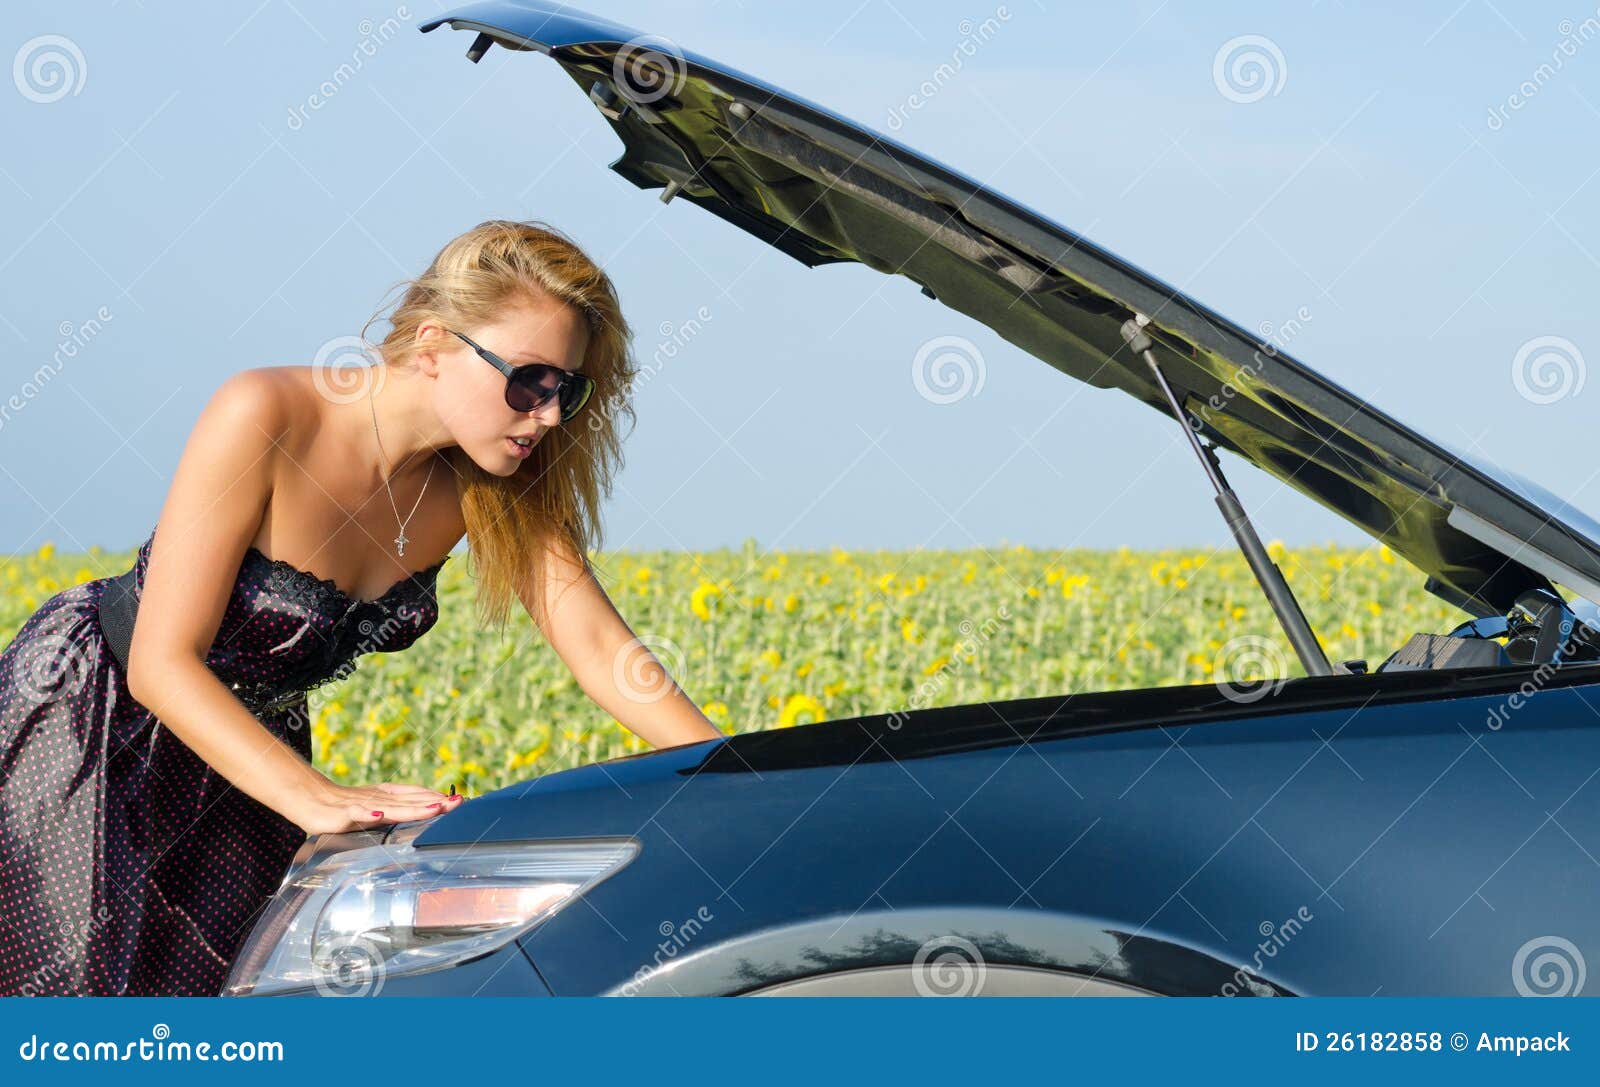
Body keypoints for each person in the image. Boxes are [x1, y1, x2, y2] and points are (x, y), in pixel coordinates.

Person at [0, 219, 723, 996]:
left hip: (249, 766)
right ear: (433, 344)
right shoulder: (266, 411)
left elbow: (595, 645)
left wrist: (742, 777)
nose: (548, 415)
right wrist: (319, 799)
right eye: (530, 380)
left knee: (213, 1022)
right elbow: (159, 661)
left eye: (566, 390)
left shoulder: (488, 488)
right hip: (95, 728)